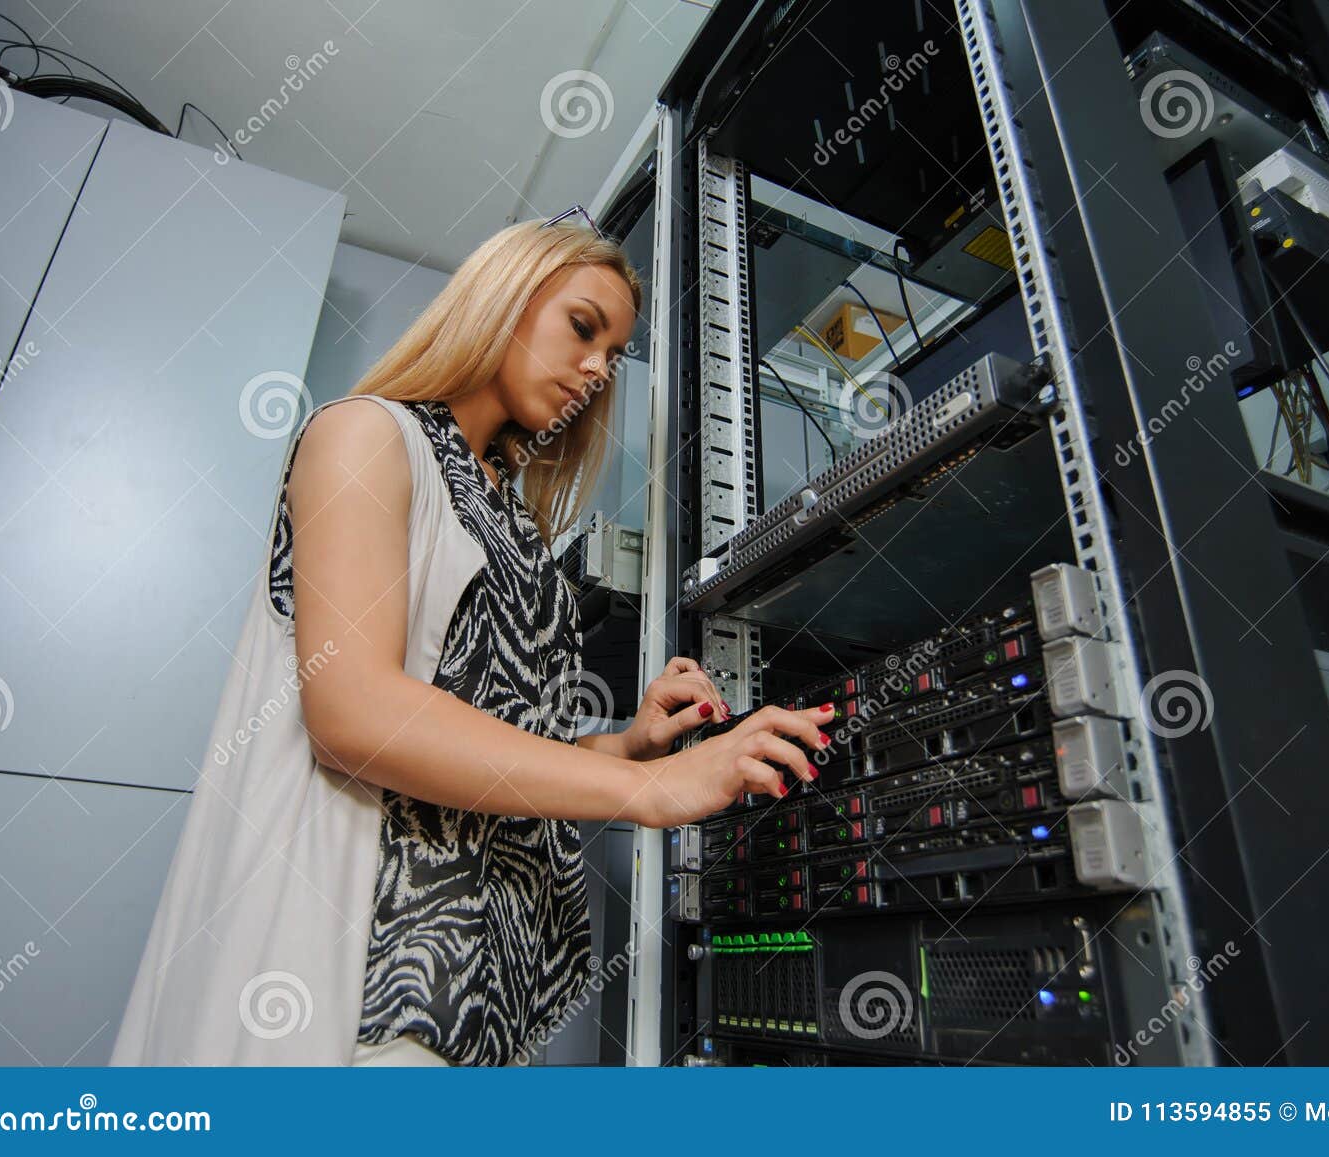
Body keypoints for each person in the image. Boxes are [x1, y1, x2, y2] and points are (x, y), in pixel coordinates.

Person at [109, 217, 834, 1068]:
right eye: (582, 326)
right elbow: (355, 710)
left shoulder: (509, 518)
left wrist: (627, 745)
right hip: (363, 984)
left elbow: (477, 741)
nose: (598, 370)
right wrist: (650, 791)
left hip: (471, 997)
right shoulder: (366, 435)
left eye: (613, 352)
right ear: (501, 300)